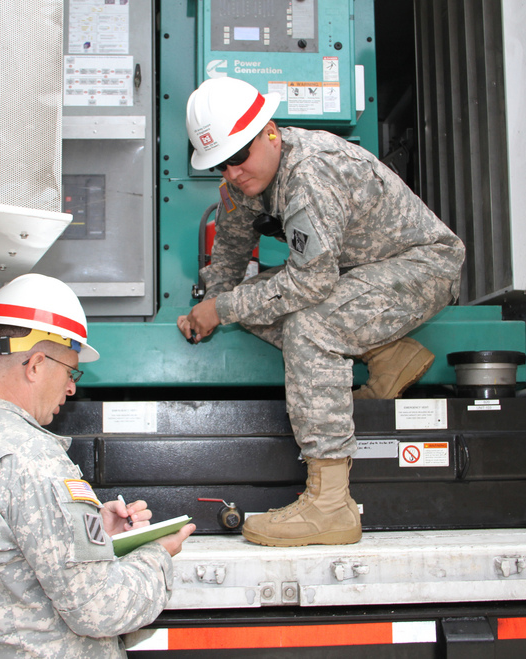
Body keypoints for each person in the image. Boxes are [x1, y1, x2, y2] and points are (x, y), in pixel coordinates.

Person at [179, 77, 465, 547]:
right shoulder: (243, 183)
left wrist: (222, 309)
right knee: (258, 299)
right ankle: (389, 355)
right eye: (219, 165)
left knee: (311, 325)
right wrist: (209, 305)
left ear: (270, 132)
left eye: (237, 157)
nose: (230, 172)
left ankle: (331, 506)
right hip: (353, 274)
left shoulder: (311, 172)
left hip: (421, 267)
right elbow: (230, 254)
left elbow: (311, 283)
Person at [0, 273, 195, 658]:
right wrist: (155, 556)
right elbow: (101, 611)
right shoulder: (32, 458)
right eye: (70, 372)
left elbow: (5, 560)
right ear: (36, 365)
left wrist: (93, 532)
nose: (72, 388)